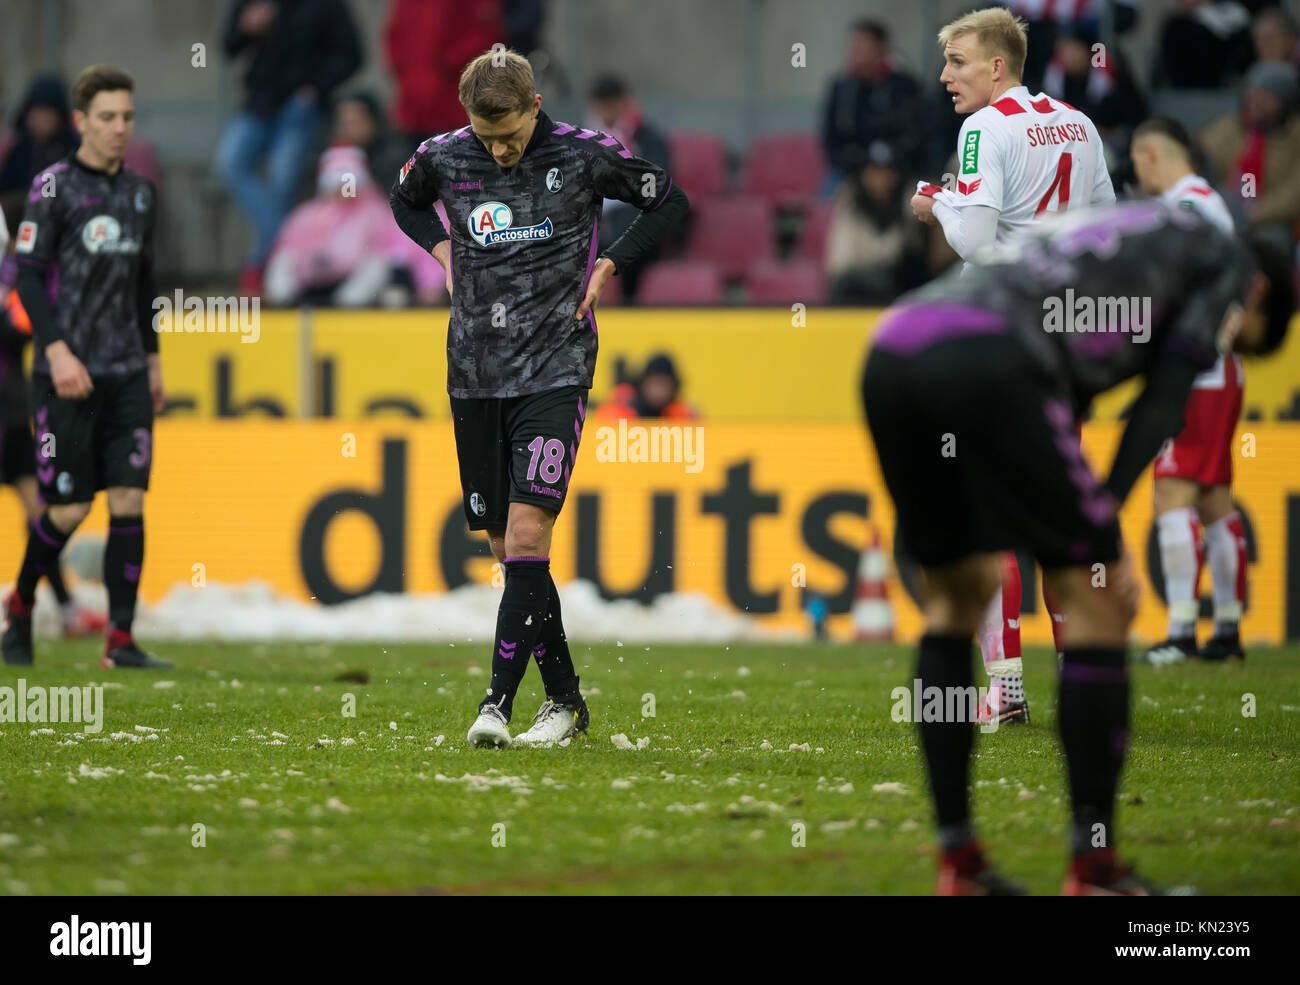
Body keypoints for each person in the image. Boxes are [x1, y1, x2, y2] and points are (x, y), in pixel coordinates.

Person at [863, 200, 1294, 895]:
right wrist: (1108, 527)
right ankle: (1093, 868)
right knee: (1097, 599)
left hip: (897, 344)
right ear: (1262, 291)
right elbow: (1162, 402)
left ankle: (958, 861)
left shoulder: (1130, 228)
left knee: (955, 597)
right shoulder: (1229, 261)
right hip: (994, 356)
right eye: (1239, 338)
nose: (1225, 343)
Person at [390, 49, 688, 748]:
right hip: (473, 371)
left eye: (510, 136)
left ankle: (496, 703)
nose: (496, 152)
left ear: (534, 105)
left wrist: (615, 260)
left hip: (556, 368)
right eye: (484, 137)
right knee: (511, 550)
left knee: (528, 535)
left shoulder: (585, 154)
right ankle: (566, 702)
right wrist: (438, 250)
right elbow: (403, 198)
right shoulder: (443, 154)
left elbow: (670, 199)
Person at [911, 6, 1116, 726]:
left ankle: (1006, 686)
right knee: (1060, 517)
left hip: (1006, 339)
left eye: (959, 63)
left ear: (997, 66)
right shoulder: (1080, 124)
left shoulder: (983, 129)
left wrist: (937, 203)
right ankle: (1080, 679)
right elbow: (1105, 227)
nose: (945, 77)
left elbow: (973, 239)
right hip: (1070, 346)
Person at [2, 65, 169, 669]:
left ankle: (120, 640)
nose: (119, 128)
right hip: (67, 375)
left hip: (125, 372)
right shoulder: (52, 188)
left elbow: (146, 281)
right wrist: (55, 349)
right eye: (107, 117)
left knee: (128, 498)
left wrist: (153, 361)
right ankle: (19, 608)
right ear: (80, 122)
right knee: (68, 509)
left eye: (127, 117)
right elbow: (25, 276)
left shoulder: (141, 192)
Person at [1130, 116, 1246, 664]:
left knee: (1172, 494)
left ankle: (1180, 632)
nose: (1136, 172)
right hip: (1219, 372)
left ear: (1151, 154)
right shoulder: (1208, 203)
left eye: (1136, 161)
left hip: (1197, 375)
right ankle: (1226, 628)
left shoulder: (1187, 209)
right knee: (1214, 499)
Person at [0, 229, 110, 638]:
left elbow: (22, 327)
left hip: (11, 414)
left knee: (41, 514)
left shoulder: (18, 275)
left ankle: (63, 607)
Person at [215, 0, 363, 296]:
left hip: (302, 107)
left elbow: (353, 55)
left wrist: (316, 87)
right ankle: (278, 253)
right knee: (229, 164)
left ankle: (259, 266)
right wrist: (246, 27)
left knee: (282, 179)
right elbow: (228, 47)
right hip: (259, 102)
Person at [264, 145, 445, 307]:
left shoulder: (375, 212)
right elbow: (289, 244)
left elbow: (390, 251)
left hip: (352, 281)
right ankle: (284, 302)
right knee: (283, 259)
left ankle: (348, 306)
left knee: (378, 263)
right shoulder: (307, 213)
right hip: (311, 277)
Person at [586, 74, 672, 300]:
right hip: (596, 210)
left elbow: (658, 180)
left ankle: (628, 296)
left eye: (611, 104)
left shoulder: (645, 137)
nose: (606, 110)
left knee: (629, 226)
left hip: (631, 211)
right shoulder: (584, 137)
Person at [1203, 60, 1300, 253]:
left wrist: (1252, 214)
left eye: (1266, 96)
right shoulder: (1230, 128)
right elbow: (1203, 162)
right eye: (1253, 92)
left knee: (1271, 243)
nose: (1256, 101)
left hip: (1273, 220)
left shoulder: (1295, 137)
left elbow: (1293, 194)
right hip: (1227, 212)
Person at [821, 20, 927, 184]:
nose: (856, 52)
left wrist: (888, 163)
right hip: (849, 171)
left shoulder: (905, 86)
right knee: (829, 204)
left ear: (881, 48)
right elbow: (831, 139)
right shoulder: (842, 87)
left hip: (898, 171)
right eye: (853, 46)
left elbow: (916, 135)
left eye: (863, 46)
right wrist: (857, 165)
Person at [0, 76, 80, 240]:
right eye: (37, 113)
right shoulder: (21, 151)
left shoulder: (72, 149)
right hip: (19, 227)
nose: (42, 120)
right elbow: (6, 192)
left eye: (48, 114)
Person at [595, 353, 698, 421]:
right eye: (655, 383)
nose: (659, 390)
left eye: (664, 384)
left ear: (673, 388)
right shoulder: (622, 407)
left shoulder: (680, 414)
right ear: (643, 384)